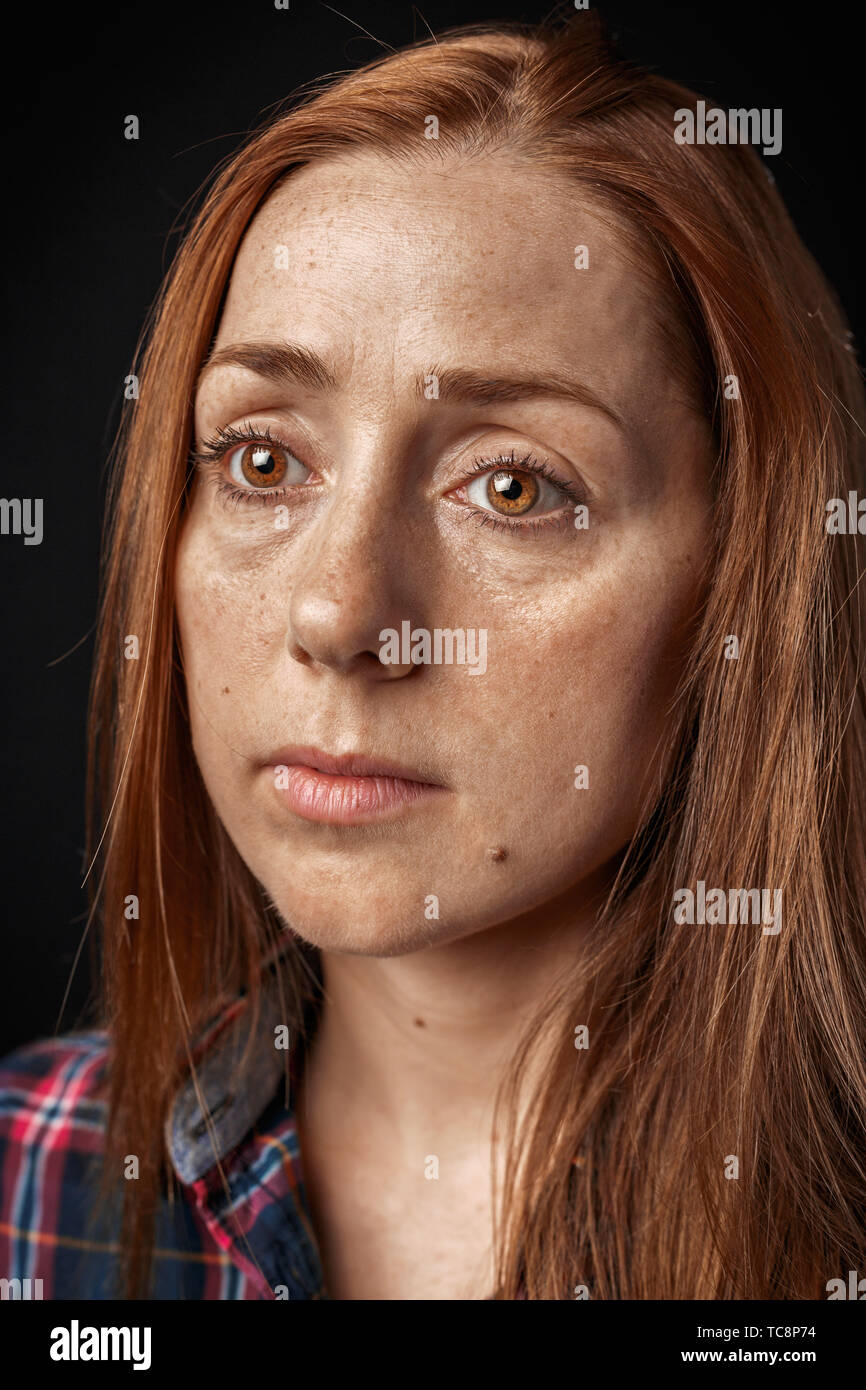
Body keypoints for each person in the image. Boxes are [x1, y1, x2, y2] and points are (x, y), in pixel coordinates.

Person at [2, 10, 864, 1301]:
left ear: (747, 573)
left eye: (514, 486)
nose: (340, 616)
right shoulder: (25, 1177)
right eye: (263, 460)